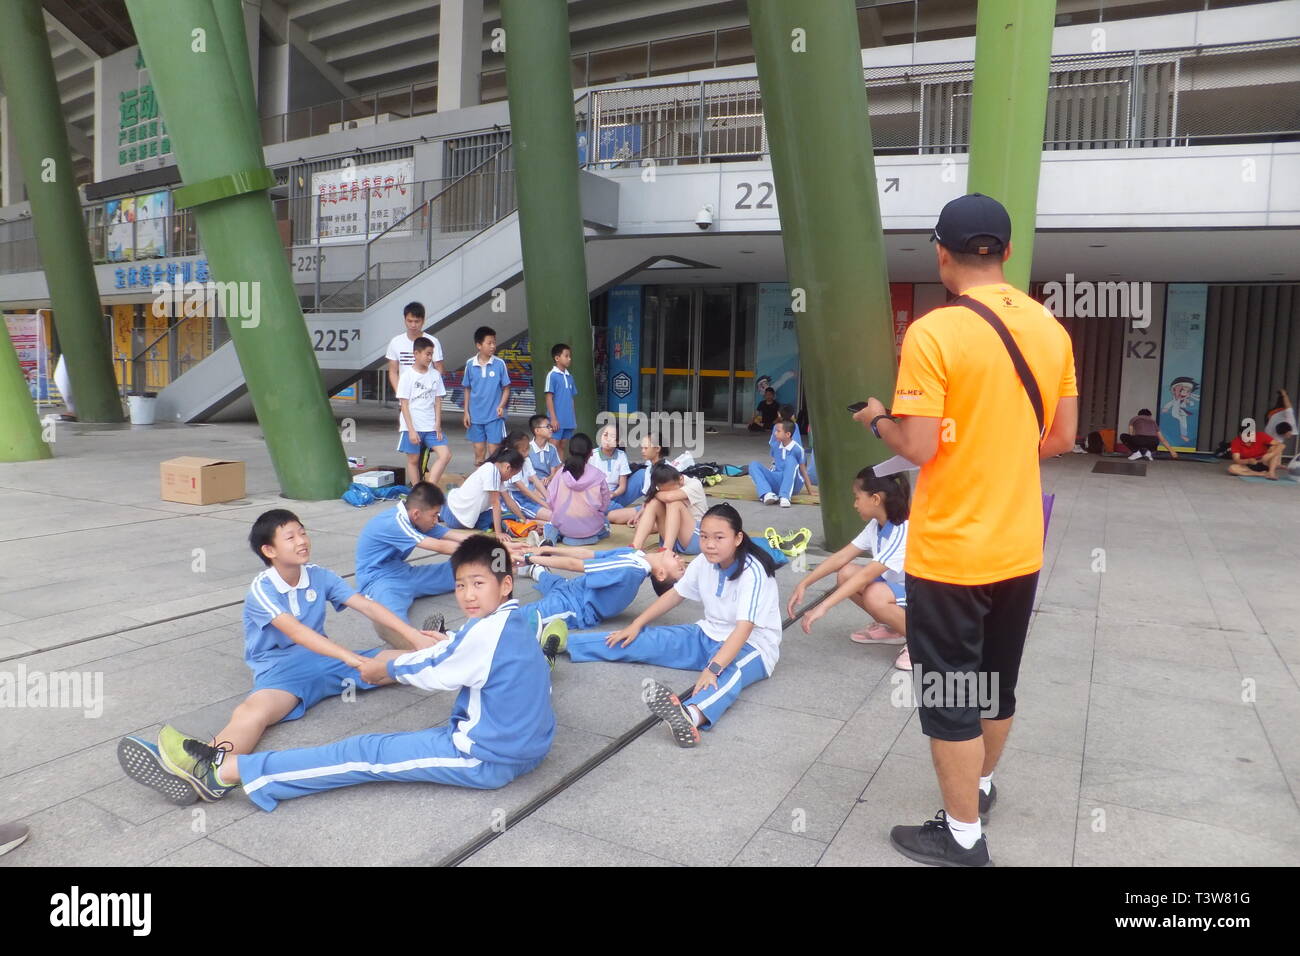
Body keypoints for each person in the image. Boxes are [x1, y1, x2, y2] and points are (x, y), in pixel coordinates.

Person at [859, 193, 1078, 867]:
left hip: (952, 553)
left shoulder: (934, 332)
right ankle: (978, 788)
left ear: (942, 254)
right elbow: (1064, 436)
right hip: (1018, 546)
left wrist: (875, 421)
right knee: (996, 683)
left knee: (951, 696)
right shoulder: (1050, 329)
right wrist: (1001, 451)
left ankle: (960, 838)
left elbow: (920, 447)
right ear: (1007, 252)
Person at [121, 537, 556, 809]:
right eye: (460, 584)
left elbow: (433, 669)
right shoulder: (513, 620)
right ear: (269, 550)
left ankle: (223, 772)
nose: (466, 594)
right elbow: (462, 652)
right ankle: (217, 756)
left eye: (478, 583)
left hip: (486, 757)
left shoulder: (320, 576)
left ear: (505, 585)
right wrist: (394, 654)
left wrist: (384, 663)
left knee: (364, 753)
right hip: (530, 746)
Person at [117, 509, 441, 806]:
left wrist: (415, 638)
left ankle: (445, 651)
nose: (302, 541)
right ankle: (207, 765)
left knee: (399, 660)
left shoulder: (320, 576)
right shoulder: (262, 590)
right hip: (281, 671)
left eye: (303, 532)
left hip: (327, 661)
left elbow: (368, 605)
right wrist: (355, 661)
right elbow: (298, 633)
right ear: (269, 551)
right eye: (290, 537)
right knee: (254, 712)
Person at [557, 504, 780, 747]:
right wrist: (636, 624)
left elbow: (743, 629)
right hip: (706, 634)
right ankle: (562, 643)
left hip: (752, 646)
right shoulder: (703, 563)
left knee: (730, 674)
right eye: (704, 537)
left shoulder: (754, 572)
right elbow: (675, 595)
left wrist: (713, 669)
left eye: (719, 537)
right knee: (638, 639)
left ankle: (690, 715)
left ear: (738, 538)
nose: (709, 544)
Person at [787, 468, 912, 670]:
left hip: (925, 596)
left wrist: (823, 607)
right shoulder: (876, 525)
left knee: (875, 595)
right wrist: (804, 583)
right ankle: (895, 629)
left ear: (875, 499)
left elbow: (866, 575)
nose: (854, 504)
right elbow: (842, 557)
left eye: (857, 497)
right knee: (846, 573)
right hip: (899, 591)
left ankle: (921, 643)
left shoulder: (902, 530)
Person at [355, 483, 487, 648]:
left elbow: (452, 535)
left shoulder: (417, 520)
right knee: (392, 620)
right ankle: (424, 647)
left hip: (403, 572)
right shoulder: (394, 522)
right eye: (434, 515)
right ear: (417, 513)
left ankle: (515, 566)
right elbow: (440, 546)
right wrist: (482, 550)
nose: (437, 520)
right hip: (378, 581)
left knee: (463, 567)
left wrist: (496, 547)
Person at [517, 543, 684, 633]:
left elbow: (574, 565)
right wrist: (546, 549)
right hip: (573, 587)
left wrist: (531, 557)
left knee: (517, 619)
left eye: (680, 569)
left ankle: (532, 567)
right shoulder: (635, 554)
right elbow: (588, 554)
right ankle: (535, 570)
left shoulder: (631, 568)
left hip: (574, 607)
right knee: (555, 582)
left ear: (661, 574)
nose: (682, 561)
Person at [396, 336, 451, 487]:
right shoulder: (407, 376)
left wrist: (438, 424)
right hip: (412, 426)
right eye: (427, 354)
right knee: (413, 461)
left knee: (445, 455)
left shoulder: (435, 374)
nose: (430, 357)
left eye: (431, 354)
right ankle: (417, 491)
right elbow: (404, 405)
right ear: (416, 354)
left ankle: (429, 488)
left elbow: (438, 400)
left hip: (431, 426)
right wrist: (411, 430)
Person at [608, 434, 695, 523]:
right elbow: (648, 498)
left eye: (646, 448)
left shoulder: (667, 470)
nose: (642, 451)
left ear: (657, 449)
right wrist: (642, 510)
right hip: (650, 505)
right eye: (642, 448)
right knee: (611, 515)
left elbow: (669, 499)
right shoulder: (649, 468)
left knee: (610, 515)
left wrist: (646, 510)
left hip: (664, 508)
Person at [544, 432, 611, 545]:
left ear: (570, 451)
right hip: (591, 528)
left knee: (551, 524)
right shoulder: (598, 475)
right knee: (605, 521)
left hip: (566, 527)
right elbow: (605, 503)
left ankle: (553, 537)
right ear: (590, 453)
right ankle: (591, 536)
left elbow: (550, 499)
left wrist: (558, 514)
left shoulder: (560, 473)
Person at [631, 462, 707, 555]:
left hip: (696, 537)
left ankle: (667, 550)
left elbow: (669, 497)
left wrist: (655, 493)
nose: (664, 494)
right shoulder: (661, 491)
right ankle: (636, 546)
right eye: (663, 492)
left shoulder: (695, 484)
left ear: (681, 479)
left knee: (674, 503)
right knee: (654, 503)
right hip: (673, 538)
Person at [445, 446, 523, 535]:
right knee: (503, 515)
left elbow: (508, 500)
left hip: (455, 516)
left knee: (504, 515)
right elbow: (495, 503)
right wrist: (498, 533)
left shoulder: (494, 471)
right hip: (453, 514)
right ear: (507, 467)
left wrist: (523, 520)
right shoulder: (492, 471)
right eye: (512, 475)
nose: (510, 478)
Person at [463, 325, 510, 466]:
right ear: (479, 345)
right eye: (489, 343)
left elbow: (506, 388)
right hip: (475, 417)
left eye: (494, 342)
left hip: (494, 417)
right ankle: (480, 486)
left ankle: (495, 485)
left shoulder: (500, 364)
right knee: (479, 453)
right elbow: (467, 389)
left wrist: (501, 406)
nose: (493, 346)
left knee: (494, 452)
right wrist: (466, 412)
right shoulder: (470, 364)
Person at [749, 419, 815, 508]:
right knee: (753, 464)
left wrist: (810, 491)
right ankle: (767, 494)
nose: (775, 433)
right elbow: (774, 463)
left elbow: (803, 471)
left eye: (778, 431)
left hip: (793, 484)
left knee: (791, 460)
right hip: (777, 480)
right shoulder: (775, 446)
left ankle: (785, 497)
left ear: (788, 434)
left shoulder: (797, 449)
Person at [386, 302, 444, 396]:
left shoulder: (433, 341)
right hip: (405, 397)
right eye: (409, 321)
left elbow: (439, 368)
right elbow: (393, 371)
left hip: (427, 397)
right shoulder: (395, 342)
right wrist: (400, 394)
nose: (413, 325)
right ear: (404, 320)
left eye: (417, 321)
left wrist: (433, 392)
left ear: (423, 321)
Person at [502, 429, 552, 523]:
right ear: (513, 452)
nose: (527, 452)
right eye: (524, 450)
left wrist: (549, 499)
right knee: (553, 516)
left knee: (553, 512)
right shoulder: (511, 465)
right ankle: (525, 521)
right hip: (516, 499)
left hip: (526, 497)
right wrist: (546, 504)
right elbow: (525, 491)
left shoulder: (526, 460)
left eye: (528, 448)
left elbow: (536, 480)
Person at [545, 343, 579, 458]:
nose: (569, 359)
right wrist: (553, 419)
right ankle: (551, 474)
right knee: (553, 445)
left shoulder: (570, 377)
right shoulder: (552, 375)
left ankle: (559, 472)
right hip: (556, 419)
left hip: (568, 419)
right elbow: (549, 397)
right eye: (566, 356)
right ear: (557, 358)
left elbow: (571, 398)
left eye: (570, 356)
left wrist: (573, 418)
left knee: (563, 446)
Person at [591, 424, 632, 502]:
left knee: (641, 475)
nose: (607, 439)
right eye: (605, 435)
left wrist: (613, 494)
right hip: (595, 496)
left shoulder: (621, 455)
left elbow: (622, 486)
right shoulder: (592, 455)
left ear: (618, 441)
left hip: (615, 495)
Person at [1160, 375, 1199, 446]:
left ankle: (1183, 435)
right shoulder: (1175, 400)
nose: (1184, 393)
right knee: (1182, 421)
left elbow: (1191, 404)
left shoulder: (1185, 400)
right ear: (1174, 390)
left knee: (1183, 422)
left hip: (1182, 412)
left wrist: (1189, 402)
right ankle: (1182, 435)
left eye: (1187, 391)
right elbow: (1170, 403)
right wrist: (1165, 409)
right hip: (1176, 412)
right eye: (1182, 390)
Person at [527, 413, 563, 484]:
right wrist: (538, 482)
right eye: (548, 427)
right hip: (531, 485)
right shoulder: (527, 448)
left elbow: (554, 472)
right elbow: (525, 474)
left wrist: (548, 479)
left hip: (548, 484)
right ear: (537, 431)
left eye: (550, 426)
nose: (551, 429)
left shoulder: (552, 449)